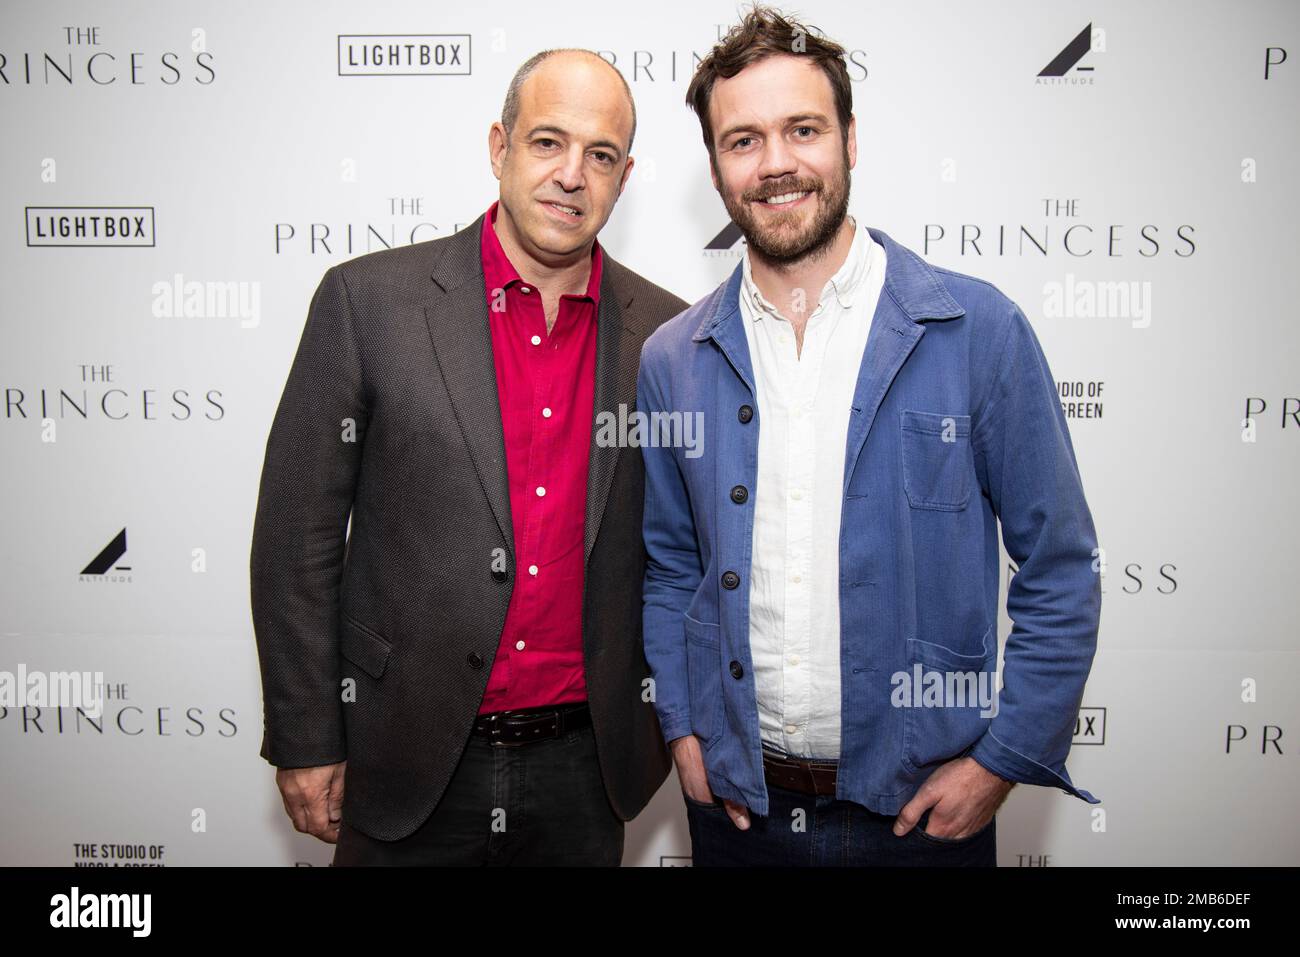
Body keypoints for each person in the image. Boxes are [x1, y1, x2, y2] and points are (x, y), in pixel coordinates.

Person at [638, 6, 1101, 866]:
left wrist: (1002, 759)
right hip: (741, 818)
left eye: (802, 129)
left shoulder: (977, 330)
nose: (776, 163)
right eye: (744, 140)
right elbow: (671, 566)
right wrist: (683, 728)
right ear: (714, 168)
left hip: (921, 825)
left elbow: (1061, 565)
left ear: (851, 139)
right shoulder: (673, 359)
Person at [251, 48, 686, 865]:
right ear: (499, 147)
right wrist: (308, 734)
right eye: (547, 142)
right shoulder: (368, 302)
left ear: (624, 179)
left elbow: (685, 558)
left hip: (585, 772)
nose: (571, 175)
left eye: (601, 156)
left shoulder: (669, 334)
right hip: (403, 756)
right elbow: (295, 540)